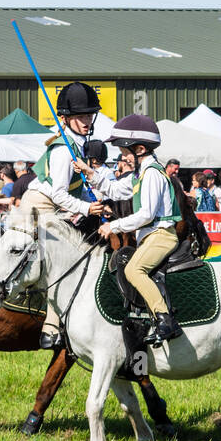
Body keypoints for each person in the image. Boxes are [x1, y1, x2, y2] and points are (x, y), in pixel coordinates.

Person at [79, 114, 183, 344]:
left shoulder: (153, 173)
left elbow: (146, 215)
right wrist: (89, 172)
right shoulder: (139, 174)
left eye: (125, 152)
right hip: (151, 237)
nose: (122, 157)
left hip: (161, 236)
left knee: (134, 271)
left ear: (140, 149)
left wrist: (113, 225)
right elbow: (114, 191)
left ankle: (165, 320)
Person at [19, 81, 107, 349]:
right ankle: (50, 328)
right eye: (80, 116)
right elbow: (57, 193)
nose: (86, 120)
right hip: (40, 206)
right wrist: (85, 208)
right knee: (66, 262)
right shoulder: (62, 148)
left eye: (89, 115)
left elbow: (73, 192)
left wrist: (95, 202)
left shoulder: (77, 144)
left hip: (55, 207)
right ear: (66, 118)